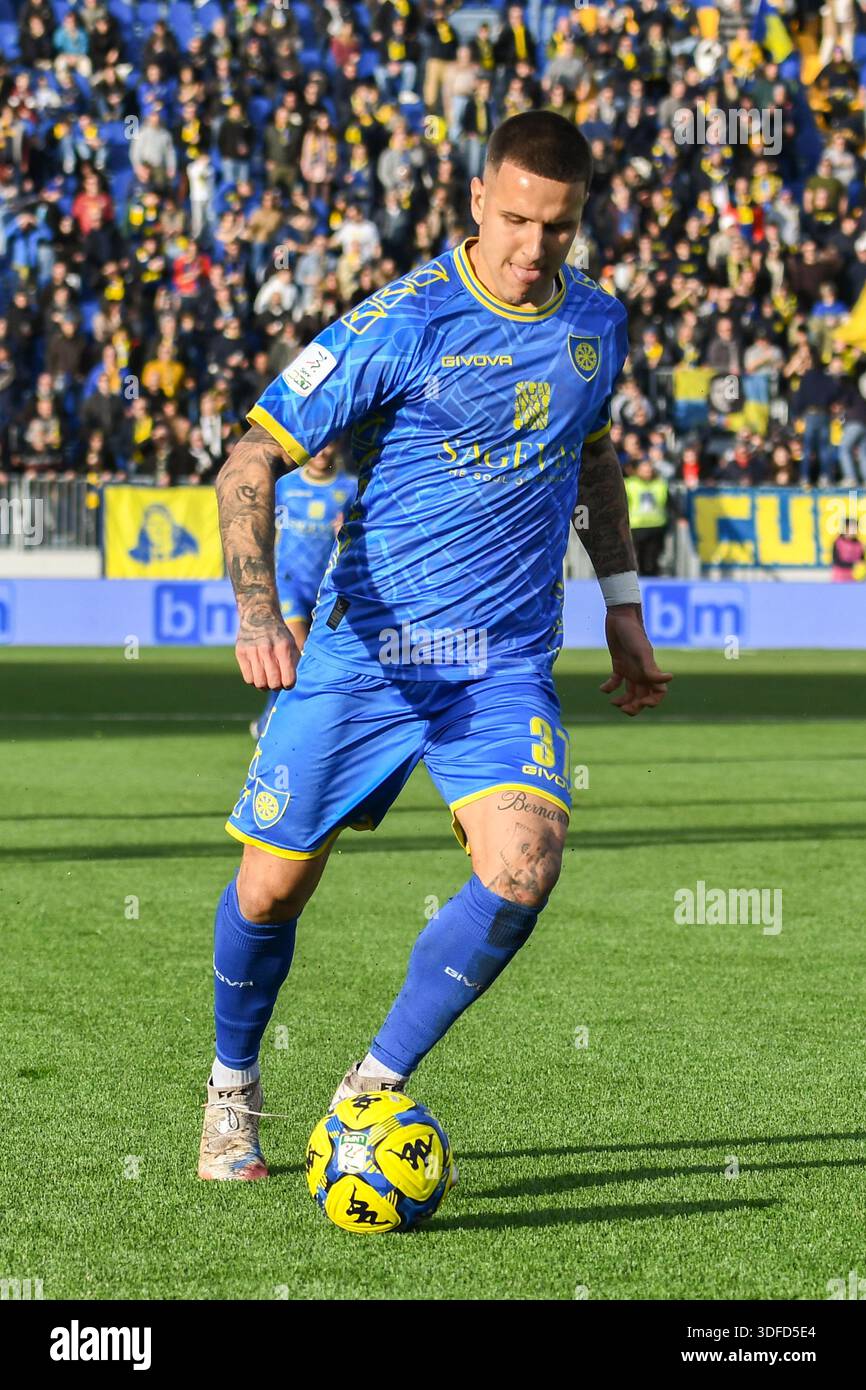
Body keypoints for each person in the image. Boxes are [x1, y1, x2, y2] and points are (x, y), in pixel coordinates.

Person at [198, 110, 673, 1182]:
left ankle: (366, 1095)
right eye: (511, 219)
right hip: (366, 654)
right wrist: (258, 610)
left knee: (524, 864)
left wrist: (624, 608)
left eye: (553, 227)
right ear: (474, 199)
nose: (529, 247)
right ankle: (232, 1088)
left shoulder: (597, 323)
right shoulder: (399, 322)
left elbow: (590, 459)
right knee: (270, 891)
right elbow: (245, 462)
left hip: (499, 665)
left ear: (578, 217)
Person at [251, 443, 353, 738]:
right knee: (300, 650)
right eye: (317, 447)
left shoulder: (348, 489)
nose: (322, 453)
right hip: (290, 584)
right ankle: (286, 722)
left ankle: (273, 718)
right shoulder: (286, 485)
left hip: (331, 592)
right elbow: (263, 529)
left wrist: (347, 531)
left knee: (324, 656)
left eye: (329, 446)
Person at [625, 460, 669, 576]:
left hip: (656, 526)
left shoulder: (660, 484)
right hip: (637, 527)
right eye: (644, 469)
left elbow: (670, 502)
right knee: (638, 557)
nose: (647, 472)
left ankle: (653, 580)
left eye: (649, 469)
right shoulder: (629, 484)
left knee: (654, 557)